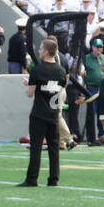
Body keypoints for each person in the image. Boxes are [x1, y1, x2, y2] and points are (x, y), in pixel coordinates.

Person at [18, 35, 66, 188]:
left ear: (46, 51)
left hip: (39, 113)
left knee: (36, 148)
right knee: (54, 148)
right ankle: (54, 179)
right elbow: (60, 89)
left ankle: (32, 179)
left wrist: (28, 85)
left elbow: (30, 93)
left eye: (40, 48)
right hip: (54, 114)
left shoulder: (38, 69)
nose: (39, 50)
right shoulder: (61, 71)